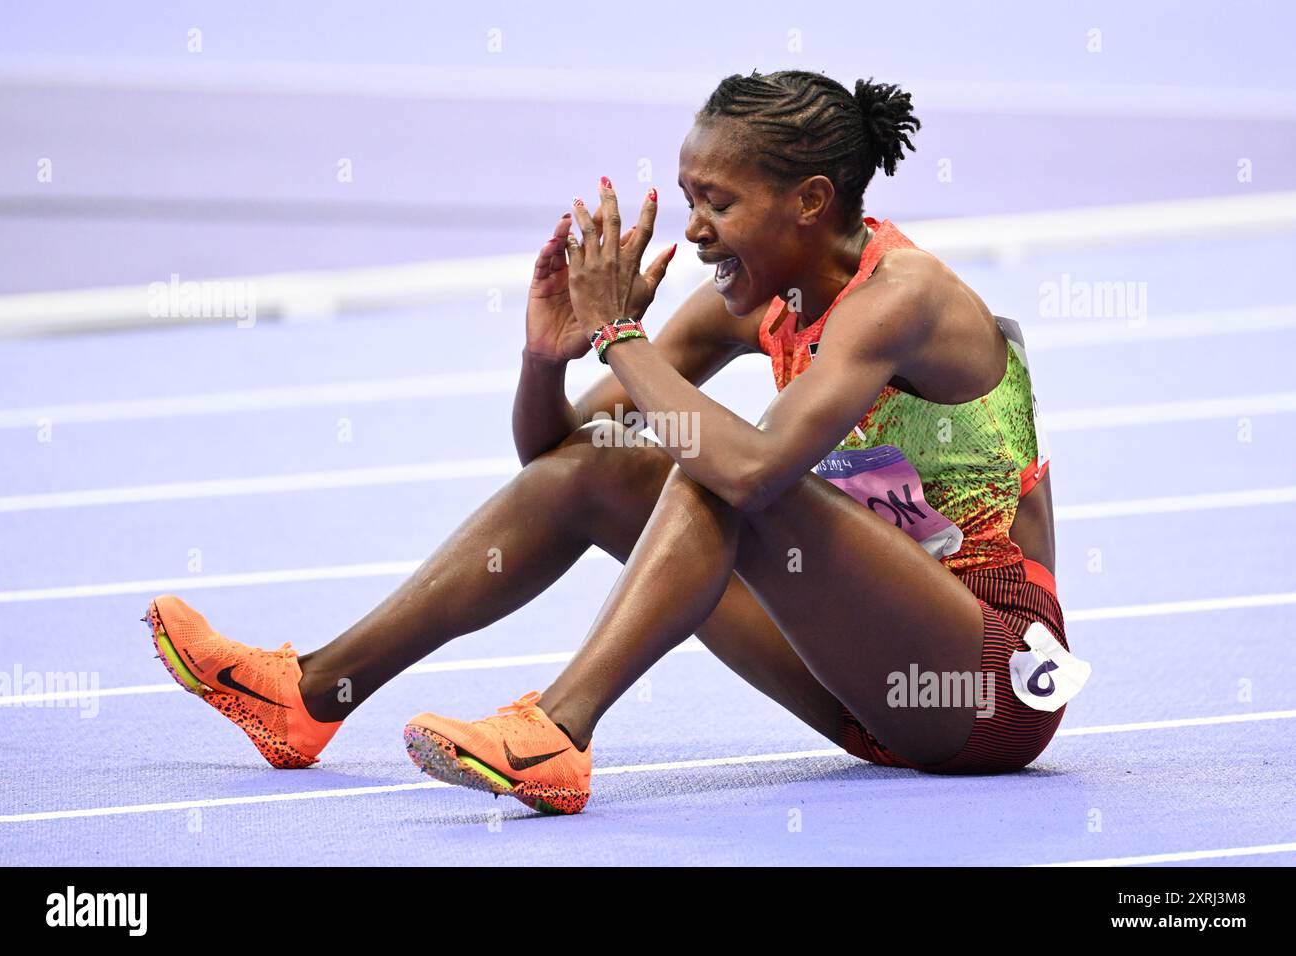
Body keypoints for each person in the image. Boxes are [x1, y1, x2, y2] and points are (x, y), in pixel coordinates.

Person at [145, 69, 1089, 816]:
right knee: (627, 465)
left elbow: (752, 470)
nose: (695, 230)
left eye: (718, 203)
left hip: (988, 685)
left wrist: (621, 336)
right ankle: (310, 696)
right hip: (859, 689)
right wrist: (546, 358)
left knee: (718, 469)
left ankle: (558, 730)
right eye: (688, 198)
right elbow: (562, 463)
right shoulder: (751, 300)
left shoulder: (903, 298)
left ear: (809, 200)